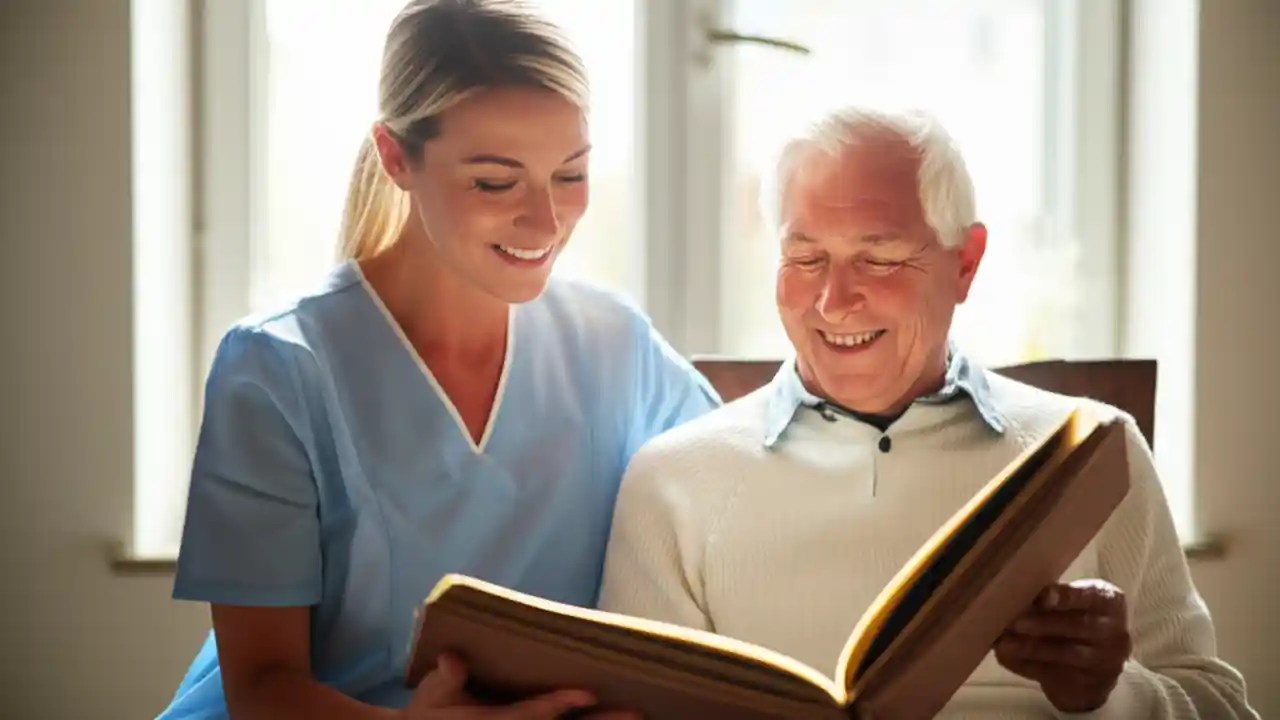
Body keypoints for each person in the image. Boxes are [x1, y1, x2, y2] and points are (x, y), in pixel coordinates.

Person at [598, 107, 1259, 718]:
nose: (833, 302)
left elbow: (1221, 704)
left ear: (965, 264)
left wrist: (1112, 692)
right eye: (805, 258)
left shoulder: (1090, 452)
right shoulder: (672, 483)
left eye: (878, 258)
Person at [157, 1, 718, 718]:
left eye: (570, 175)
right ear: (396, 157)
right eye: (494, 181)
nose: (546, 222)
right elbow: (261, 686)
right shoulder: (278, 370)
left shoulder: (615, 345)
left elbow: (739, 478)